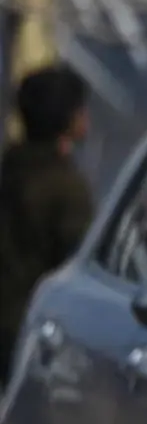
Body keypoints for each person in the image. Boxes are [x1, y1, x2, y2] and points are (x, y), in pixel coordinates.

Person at [0, 65, 97, 360]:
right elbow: (78, 268)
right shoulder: (65, 187)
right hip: (30, 337)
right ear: (68, 119)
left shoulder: (10, 169)